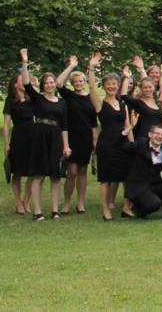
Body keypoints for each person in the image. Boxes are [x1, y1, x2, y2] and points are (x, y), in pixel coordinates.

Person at [19, 49, 69, 221]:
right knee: (38, 175)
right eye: (46, 83)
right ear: (42, 85)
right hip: (40, 137)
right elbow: (26, 83)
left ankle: (55, 210)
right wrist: (25, 62)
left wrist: (66, 145)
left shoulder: (62, 102)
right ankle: (37, 212)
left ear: (55, 84)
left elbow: (64, 125)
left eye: (52, 82)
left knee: (55, 176)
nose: (49, 85)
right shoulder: (38, 98)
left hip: (55, 138)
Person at [87, 54, 134, 221]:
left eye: (114, 84)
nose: (112, 86)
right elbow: (91, 87)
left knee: (128, 177)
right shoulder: (100, 103)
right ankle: (106, 210)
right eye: (108, 84)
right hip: (107, 144)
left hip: (123, 144)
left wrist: (133, 145)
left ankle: (127, 208)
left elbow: (128, 127)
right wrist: (92, 67)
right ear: (105, 86)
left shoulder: (123, 105)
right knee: (106, 179)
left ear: (118, 85)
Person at [54, 55, 96, 214]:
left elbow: (94, 123)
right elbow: (58, 83)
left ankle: (81, 203)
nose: (78, 83)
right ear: (72, 83)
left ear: (85, 82)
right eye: (75, 81)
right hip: (71, 138)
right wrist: (71, 66)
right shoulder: (69, 96)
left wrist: (94, 141)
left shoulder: (91, 98)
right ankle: (66, 203)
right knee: (71, 172)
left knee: (83, 172)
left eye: (81, 81)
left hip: (86, 139)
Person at [3, 72, 35, 215]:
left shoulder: (31, 98)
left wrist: (34, 85)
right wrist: (6, 144)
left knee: (33, 172)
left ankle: (26, 201)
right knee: (17, 172)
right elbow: (6, 124)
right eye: (23, 80)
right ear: (15, 84)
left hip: (32, 136)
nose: (26, 81)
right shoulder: (10, 100)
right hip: (18, 137)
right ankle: (18, 202)